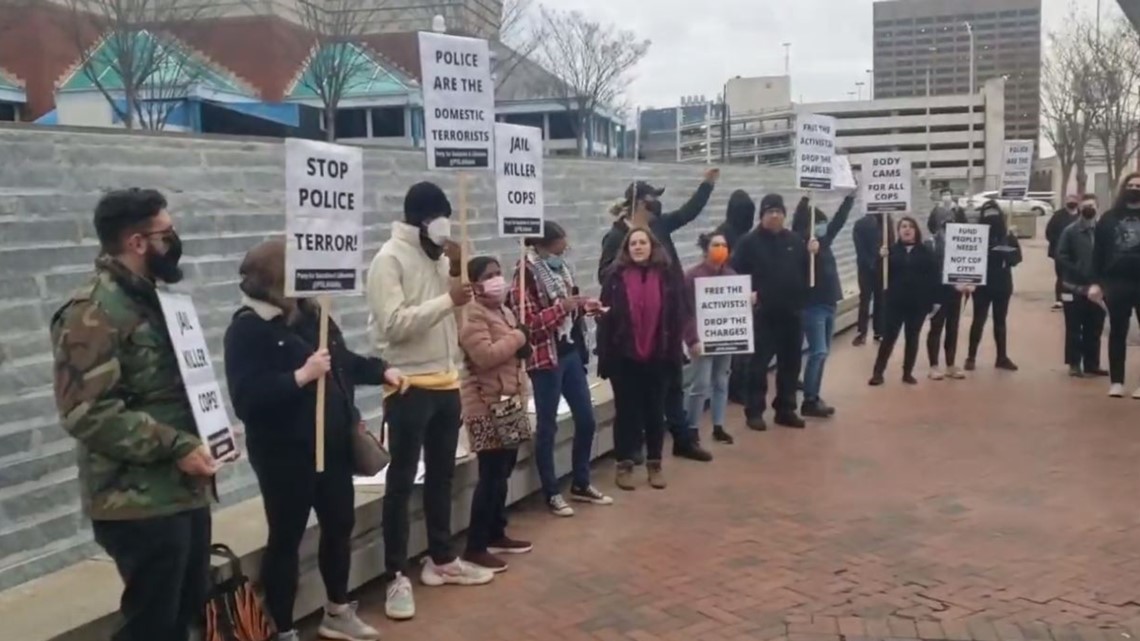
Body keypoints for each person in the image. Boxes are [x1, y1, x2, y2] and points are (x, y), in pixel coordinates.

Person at [50, 188, 216, 641]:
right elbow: (87, 412)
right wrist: (178, 443)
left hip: (182, 490)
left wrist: (211, 428)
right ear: (138, 242)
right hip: (135, 500)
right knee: (152, 626)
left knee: (185, 614)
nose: (174, 242)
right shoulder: (93, 311)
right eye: (167, 233)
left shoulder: (154, 300)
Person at [224, 239, 397, 641]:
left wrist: (381, 370)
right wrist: (300, 376)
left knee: (339, 524)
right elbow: (247, 398)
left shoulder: (313, 315)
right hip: (285, 454)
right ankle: (281, 626)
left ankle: (337, 609)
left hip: (332, 444)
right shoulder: (247, 330)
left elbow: (343, 362)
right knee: (286, 537)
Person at [366, 181, 492, 622]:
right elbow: (394, 325)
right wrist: (446, 298)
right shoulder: (388, 260)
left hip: (446, 381)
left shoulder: (439, 260)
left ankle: (441, 558)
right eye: (439, 223)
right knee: (400, 484)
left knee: (441, 476)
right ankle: (395, 573)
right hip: (408, 385)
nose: (444, 234)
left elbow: (451, 315)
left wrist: (456, 274)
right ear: (420, 220)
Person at [598, 169, 720, 463]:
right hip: (634, 328)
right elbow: (604, 276)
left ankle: (681, 439)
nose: (657, 205)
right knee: (638, 394)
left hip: (665, 323)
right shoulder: (617, 236)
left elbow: (688, 213)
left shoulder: (660, 226)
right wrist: (629, 259)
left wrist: (707, 185)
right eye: (652, 199)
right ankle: (633, 449)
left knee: (673, 384)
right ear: (640, 203)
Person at [508, 221, 612, 517]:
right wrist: (563, 308)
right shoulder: (524, 275)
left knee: (586, 419)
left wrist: (584, 307)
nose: (563, 251)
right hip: (545, 360)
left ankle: (581, 482)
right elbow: (527, 325)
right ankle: (551, 491)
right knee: (547, 426)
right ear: (542, 246)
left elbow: (569, 307)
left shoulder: (561, 270)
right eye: (559, 246)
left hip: (569, 353)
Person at [598, 228, 696, 490]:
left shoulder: (668, 276)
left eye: (643, 242)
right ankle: (624, 465)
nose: (638, 247)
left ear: (652, 246)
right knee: (626, 413)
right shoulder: (615, 277)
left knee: (655, 412)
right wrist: (605, 357)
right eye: (633, 243)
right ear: (627, 248)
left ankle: (655, 464)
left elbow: (678, 315)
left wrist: (679, 349)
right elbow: (604, 319)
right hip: (624, 357)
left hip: (659, 355)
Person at [457, 256, 535, 572]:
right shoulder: (472, 315)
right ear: (475, 284)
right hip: (485, 404)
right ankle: (475, 545)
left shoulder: (503, 310)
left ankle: (496, 531)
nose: (497, 279)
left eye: (499, 273)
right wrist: (519, 337)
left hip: (510, 400)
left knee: (505, 468)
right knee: (490, 473)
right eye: (490, 275)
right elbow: (485, 355)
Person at [731, 194, 816, 430]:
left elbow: (806, 272)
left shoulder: (796, 241)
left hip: (791, 313)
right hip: (763, 315)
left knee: (791, 364)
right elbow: (734, 273)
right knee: (757, 366)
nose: (775, 215)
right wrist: (747, 295)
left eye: (779, 211)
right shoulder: (748, 242)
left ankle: (786, 409)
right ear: (762, 215)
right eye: (770, 211)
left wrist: (813, 254)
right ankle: (754, 411)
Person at [791, 192, 854, 417]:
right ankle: (809, 398)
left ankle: (814, 396)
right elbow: (797, 222)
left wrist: (849, 199)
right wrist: (805, 199)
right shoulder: (800, 246)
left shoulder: (825, 243)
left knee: (823, 352)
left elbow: (839, 221)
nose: (823, 228)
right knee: (817, 351)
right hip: (812, 305)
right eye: (819, 224)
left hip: (829, 302)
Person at [869, 217, 939, 386]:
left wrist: (935, 301)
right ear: (898, 231)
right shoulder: (891, 251)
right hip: (895, 302)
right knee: (889, 338)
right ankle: (878, 373)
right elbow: (878, 276)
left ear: (916, 230)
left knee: (912, 337)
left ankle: (907, 372)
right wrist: (880, 259)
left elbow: (934, 278)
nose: (907, 230)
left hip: (918, 304)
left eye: (910, 227)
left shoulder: (926, 252)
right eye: (903, 227)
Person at [1089, 173, 1140, 398]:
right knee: (1118, 332)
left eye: (1138, 185)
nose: (1134, 188)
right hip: (1116, 282)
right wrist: (1095, 282)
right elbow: (1097, 253)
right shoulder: (1109, 218)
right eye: (1130, 185)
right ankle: (1117, 381)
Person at [683, 233, 737, 445]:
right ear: (706, 249)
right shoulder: (692, 277)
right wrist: (692, 339)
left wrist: (748, 300)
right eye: (716, 245)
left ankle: (718, 425)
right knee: (700, 384)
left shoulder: (732, 276)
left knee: (721, 381)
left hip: (725, 337)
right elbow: (685, 311)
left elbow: (737, 311)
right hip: (701, 340)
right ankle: (692, 427)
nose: (720, 248)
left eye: (724, 245)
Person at [965, 200, 1023, 372]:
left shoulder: (1008, 236)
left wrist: (1007, 253)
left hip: (1002, 284)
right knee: (978, 320)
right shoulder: (976, 236)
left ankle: (1002, 357)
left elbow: (1017, 258)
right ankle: (971, 356)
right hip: (982, 284)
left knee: (1000, 322)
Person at [1056, 195, 1107, 379]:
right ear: (1079, 209)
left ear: (1097, 207)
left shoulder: (1103, 231)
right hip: (1074, 287)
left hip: (1098, 289)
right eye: (1085, 206)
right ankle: (1074, 364)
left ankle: (1092, 364)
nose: (1089, 209)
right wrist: (1078, 268)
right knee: (1074, 328)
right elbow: (1061, 255)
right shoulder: (1070, 231)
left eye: (1092, 206)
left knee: (1095, 328)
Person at [925, 206, 971, 380]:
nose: (948, 223)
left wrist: (968, 282)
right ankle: (934, 366)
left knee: (953, 327)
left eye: (951, 220)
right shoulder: (930, 243)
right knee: (936, 328)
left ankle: (950, 364)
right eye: (944, 220)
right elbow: (928, 271)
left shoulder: (961, 242)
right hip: (937, 293)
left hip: (955, 293)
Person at [852, 209, 895, 345]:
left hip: (872, 267)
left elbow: (891, 244)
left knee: (870, 299)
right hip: (873, 267)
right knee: (874, 299)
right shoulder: (883, 221)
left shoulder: (886, 221)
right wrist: (878, 257)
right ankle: (876, 331)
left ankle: (866, 331)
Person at [1047, 194, 1081, 311]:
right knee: (1062, 276)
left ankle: (1075, 298)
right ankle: (1060, 300)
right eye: (1069, 200)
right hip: (1061, 252)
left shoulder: (1081, 215)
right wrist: (1058, 244)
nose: (1072, 202)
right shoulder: (1058, 216)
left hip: (1078, 252)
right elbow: (1049, 232)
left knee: (1075, 276)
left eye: (1074, 200)